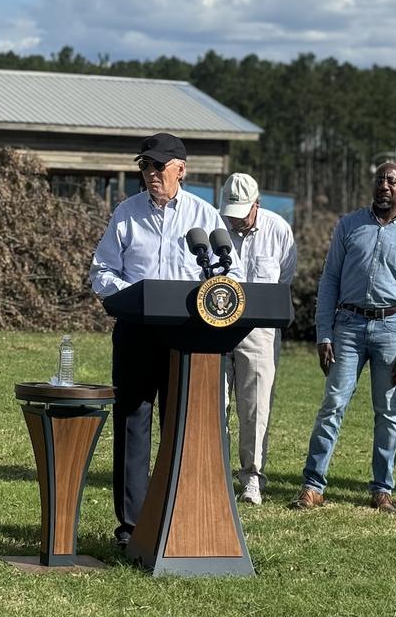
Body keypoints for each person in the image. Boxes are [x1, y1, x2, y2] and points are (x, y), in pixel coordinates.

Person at [90, 133, 243, 547]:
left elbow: (231, 278)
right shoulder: (126, 212)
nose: (151, 174)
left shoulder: (204, 215)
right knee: (132, 423)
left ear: (181, 169)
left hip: (188, 336)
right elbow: (101, 271)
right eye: (145, 166)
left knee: (181, 425)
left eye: (159, 166)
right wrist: (131, 296)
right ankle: (132, 526)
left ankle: (180, 516)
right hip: (136, 330)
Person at [292, 162, 396, 512]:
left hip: (392, 330)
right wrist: (324, 333)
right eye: (379, 179)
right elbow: (329, 281)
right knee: (332, 406)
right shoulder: (349, 225)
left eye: (392, 181)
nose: (384, 185)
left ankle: (382, 489)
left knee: (387, 412)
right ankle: (313, 485)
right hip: (348, 327)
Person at [219, 172, 297, 505]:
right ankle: (216, 472)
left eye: (241, 213)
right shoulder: (214, 226)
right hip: (217, 327)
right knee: (213, 405)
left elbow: (285, 279)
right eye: (230, 213)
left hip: (260, 331)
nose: (234, 221)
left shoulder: (280, 230)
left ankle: (251, 477)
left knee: (255, 407)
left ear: (257, 205)